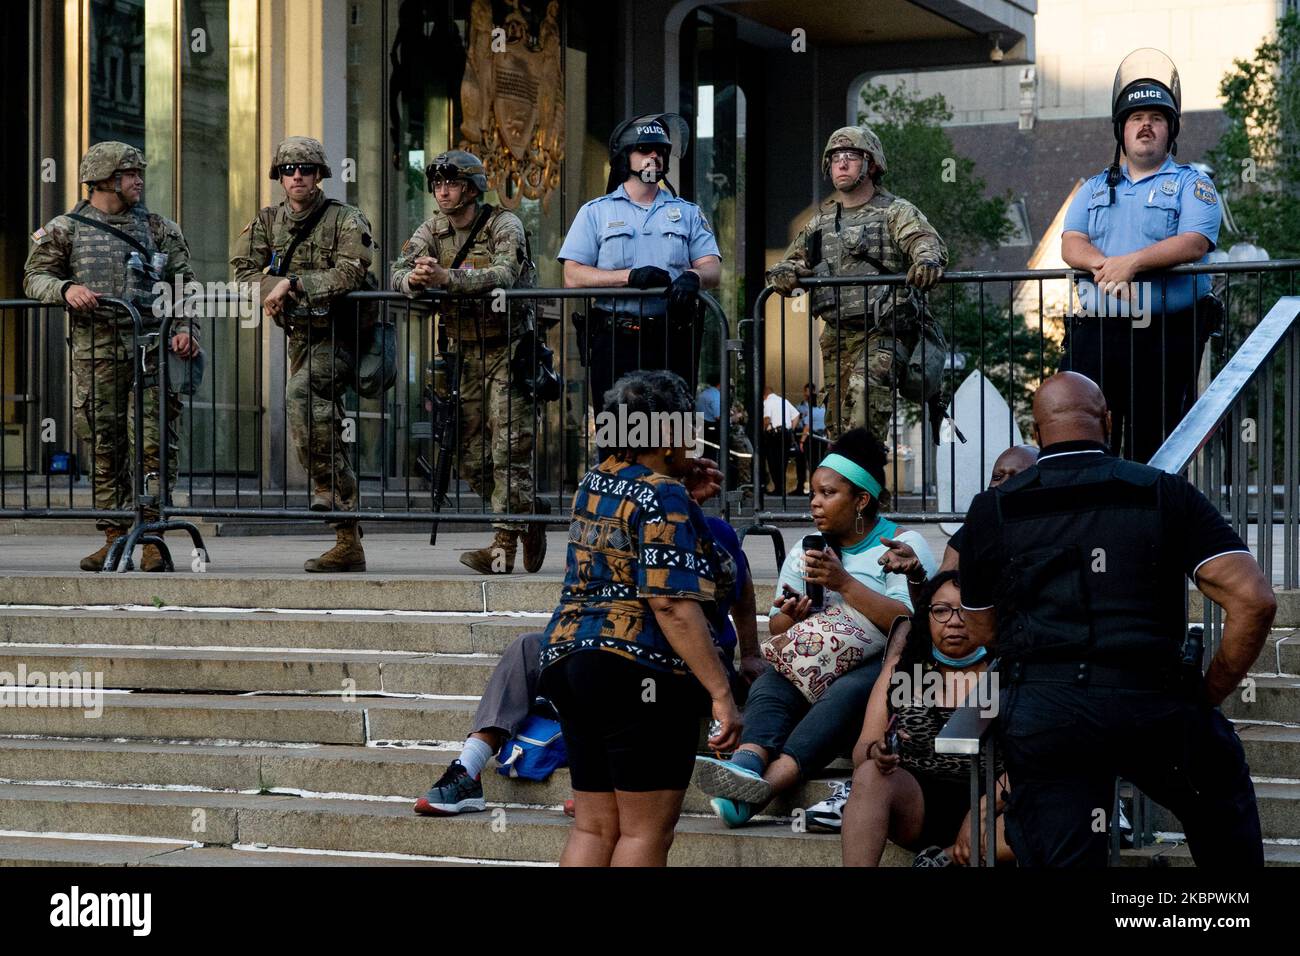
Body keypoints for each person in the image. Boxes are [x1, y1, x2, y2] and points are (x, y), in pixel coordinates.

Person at [959, 371, 1276, 866]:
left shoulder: (993, 509)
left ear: (1035, 432)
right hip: (1152, 704)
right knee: (1221, 814)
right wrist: (1209, 692)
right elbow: (1254, 600)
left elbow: (979, 629)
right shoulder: (1161, 492)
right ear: (1107, 421)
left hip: (1048, 710)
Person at [414, 515, 766, 816]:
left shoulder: (714, 531)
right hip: (614, 646)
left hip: (695, 657)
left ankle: (607, 787)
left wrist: (750, 651)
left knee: (634, 665)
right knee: (528, 647)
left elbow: (740, 585)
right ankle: (468, 769)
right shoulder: (618, 524)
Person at [537, 370, 742, 866]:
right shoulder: (662, 495)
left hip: (572, 663)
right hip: (639, 671)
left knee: (595, 827)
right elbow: (670, 602)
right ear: (669, 434)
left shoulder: (594, 481)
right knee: (644, 834)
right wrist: (720, 693)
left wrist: (682, 498)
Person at [692, 427, 938, 828]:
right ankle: (744, 764)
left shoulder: (900, 542)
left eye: (828, 494)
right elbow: (776, 624)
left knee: (847, 691)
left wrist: (844, 584)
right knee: (774, 680)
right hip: (816, 661)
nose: (815, 504)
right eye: (813, 493)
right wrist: (793, 614)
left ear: (861, 499)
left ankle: (759, 791)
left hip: (884, 666)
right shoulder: (807, 545)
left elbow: (909, 622)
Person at [23, 142, 200, 572]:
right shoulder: (66, 228)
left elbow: (185, 286)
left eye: (139, 173)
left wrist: (184, 329)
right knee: (104, 445)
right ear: (105, 180)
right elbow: (34, 275)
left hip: (151, 354)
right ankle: (114, 535)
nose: (139, 181)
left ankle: (153, 537)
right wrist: (65, 289)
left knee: (154, 445)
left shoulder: (159, 228)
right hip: (95, 354)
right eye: (131, 174)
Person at [1060, 49, 1223, 464]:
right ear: (1122, 130)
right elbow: (1071, 243)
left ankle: (1152, 525)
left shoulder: (1193, 184)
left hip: (1166, 334)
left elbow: (1195, 242)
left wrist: (1130, 263)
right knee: (1088, 434)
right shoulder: (1093, 187)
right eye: (1136, 118)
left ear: (1170, 131)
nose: (1145, 125)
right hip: (1098, 332)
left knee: (1155, 439)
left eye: (1156, 118)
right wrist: (1105, 266)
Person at [391, 149, 547, 575]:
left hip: (509, 350)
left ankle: (502, 550)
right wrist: (414, 279)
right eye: (438, 184)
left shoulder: (504, 223)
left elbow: (504, 274)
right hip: (464, 354)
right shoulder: (432, 229)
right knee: (466, 452)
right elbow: (397, 270)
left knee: (508, 448)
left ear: (472, 187)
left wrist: (448, 278)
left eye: (452, 183)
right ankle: (529, 514)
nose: (443, 191)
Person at [232, 136, 376, 572]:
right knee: (312, 415)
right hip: (302, 337)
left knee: (300, 396)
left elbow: (352, 269)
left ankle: (332, 492)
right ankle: (346, 537)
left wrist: (290, 284)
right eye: (289, 170)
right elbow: (241, 270)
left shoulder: (345, 218)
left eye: (306, 170)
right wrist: (267, 287)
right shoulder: (267, 221)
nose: (297, 176)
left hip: (348, 334)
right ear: (279, 177)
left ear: (319, 176)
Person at [766, 125, 948, 443]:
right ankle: (857, 491)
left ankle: (865, 487)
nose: (842, 164)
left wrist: (926, 261)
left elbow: (924, 241)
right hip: (838, 337)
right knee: (839, 434)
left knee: (865, 397)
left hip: (886, 332)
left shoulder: (896, 212)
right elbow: (793, 262)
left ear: (872, 164)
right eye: (835, 157)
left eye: (851, 156)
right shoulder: (820, 223)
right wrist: (784, 274)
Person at [840, 571, 1013, 866]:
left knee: (1051, 808)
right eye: (942, 610)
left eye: (966, 611)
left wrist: (981, 811)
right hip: (917, 804)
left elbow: (1036, 759)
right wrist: (878, 751)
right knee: (869, 774)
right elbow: (862, 749)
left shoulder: (1009, 672)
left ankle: (943, 859)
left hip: (995, 805)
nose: (954, 621)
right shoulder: (903, 669)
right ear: (927, 616)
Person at [558, 113, 722, 406]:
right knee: (619, 437)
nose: (654, 157)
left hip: (672, 338)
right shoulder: (595, 212)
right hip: (616, 338)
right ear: (625, 156)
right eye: (644, 149)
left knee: (671, 436)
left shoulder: (688, 212)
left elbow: (712, 267)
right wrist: (628, 277)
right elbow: (572, 275)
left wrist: (694, 277)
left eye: (660, 151)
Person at [761, 384, 802, 496]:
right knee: (783, 461)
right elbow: (796, 416)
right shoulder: (784, 401)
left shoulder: (767, 402)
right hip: (786, 433)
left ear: (764, 394)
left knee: (773, 461)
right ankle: (781, 488)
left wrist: (762, 432)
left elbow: (766, 419)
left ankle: (778, 489)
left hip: (774, 434)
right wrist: (790, 429)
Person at [797, 382, 828, 492]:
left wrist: (801, 441)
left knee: (812, 464)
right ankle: (820, 486)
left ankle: (813, 487)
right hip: (823, 439)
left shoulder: (811, 411)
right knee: (821, 463)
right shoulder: (824, 411)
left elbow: (807, 427)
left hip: (812, 439)